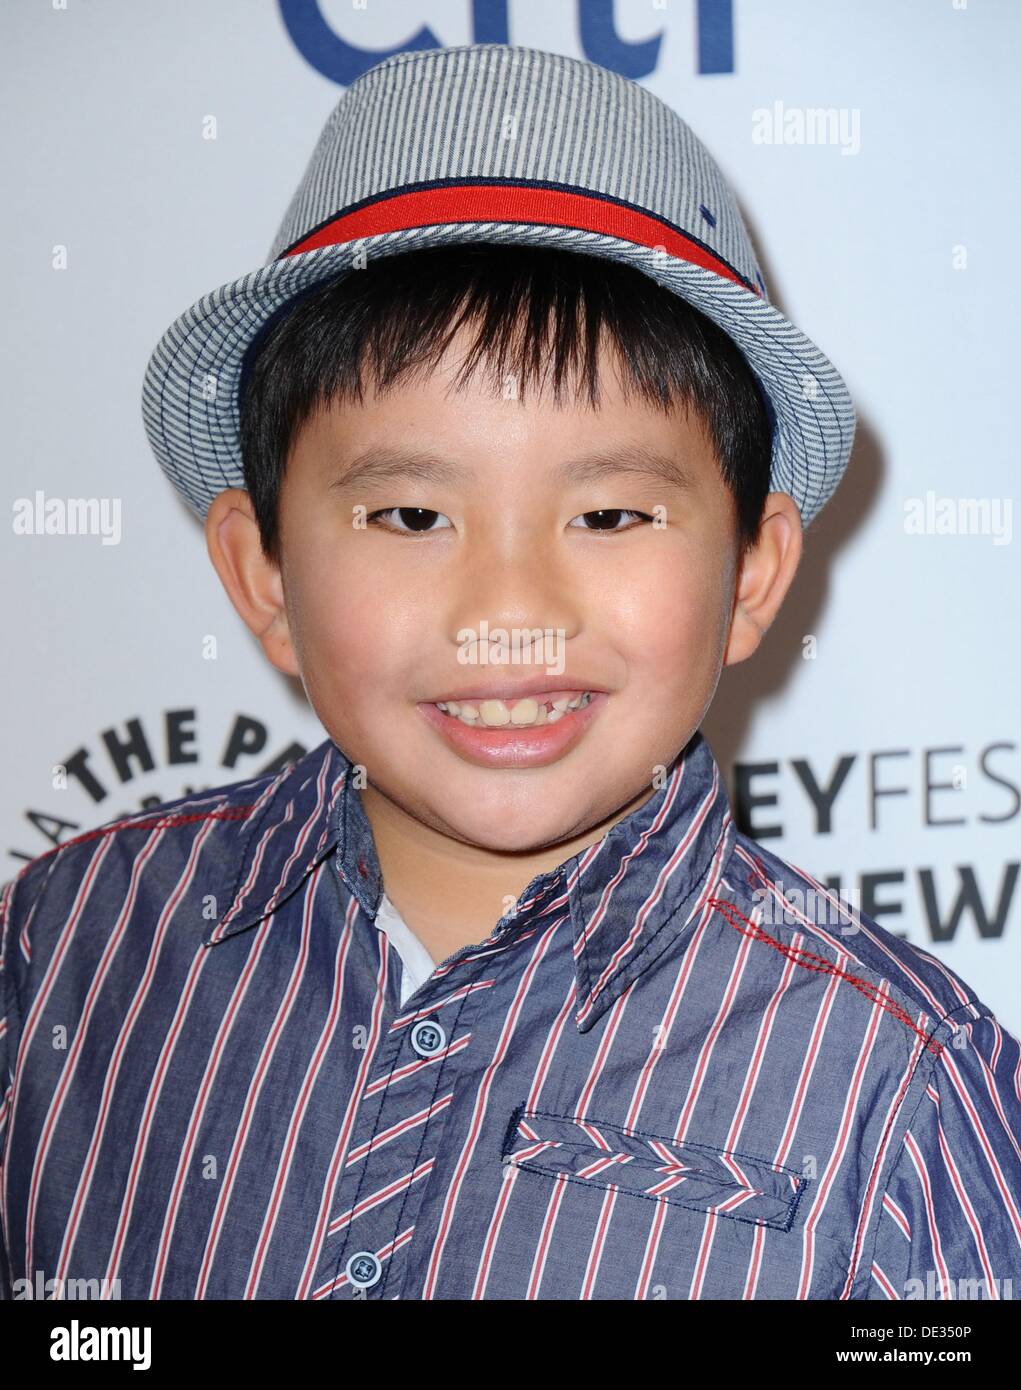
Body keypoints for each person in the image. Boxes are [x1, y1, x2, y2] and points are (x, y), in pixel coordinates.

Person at [2, 43, 1018, 1302]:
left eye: (609, 517)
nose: (509, 612)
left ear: (752, 577)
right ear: (261, 572)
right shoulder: (61, 949)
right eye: (411, 518)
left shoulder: (897, 1081)